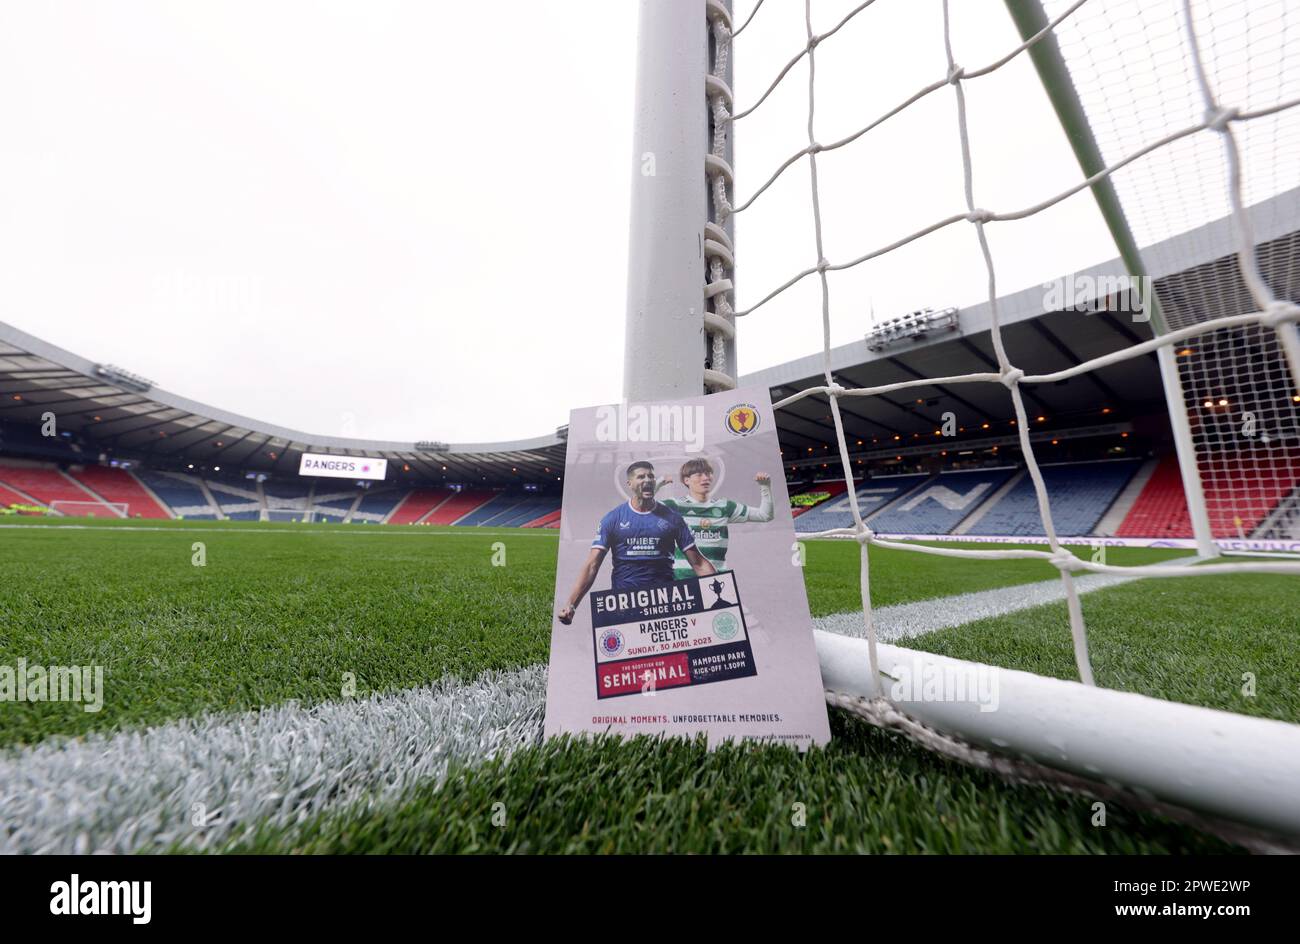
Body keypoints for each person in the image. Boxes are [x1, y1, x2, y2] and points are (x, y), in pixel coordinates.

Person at [556, 460, 716, 624]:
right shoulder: (613, 519)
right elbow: (592, 565)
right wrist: (571, 605)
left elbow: (699, 563)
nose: (647, 480)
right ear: (630, 484)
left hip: (664, 603)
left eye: (651, 476)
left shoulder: (673, 518)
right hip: (625, 603)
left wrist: (721, 594)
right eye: (641, 477)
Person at [656, 457, 773, 580]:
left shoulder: (724, 506)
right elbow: (644, 507)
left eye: (708, 473)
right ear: (687, 480)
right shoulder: (675, 505)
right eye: (699, 475)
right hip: (683, 580)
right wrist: (658, 483)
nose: (705, 478)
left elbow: (765, 515)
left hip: (717, 579)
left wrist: (765, 486)